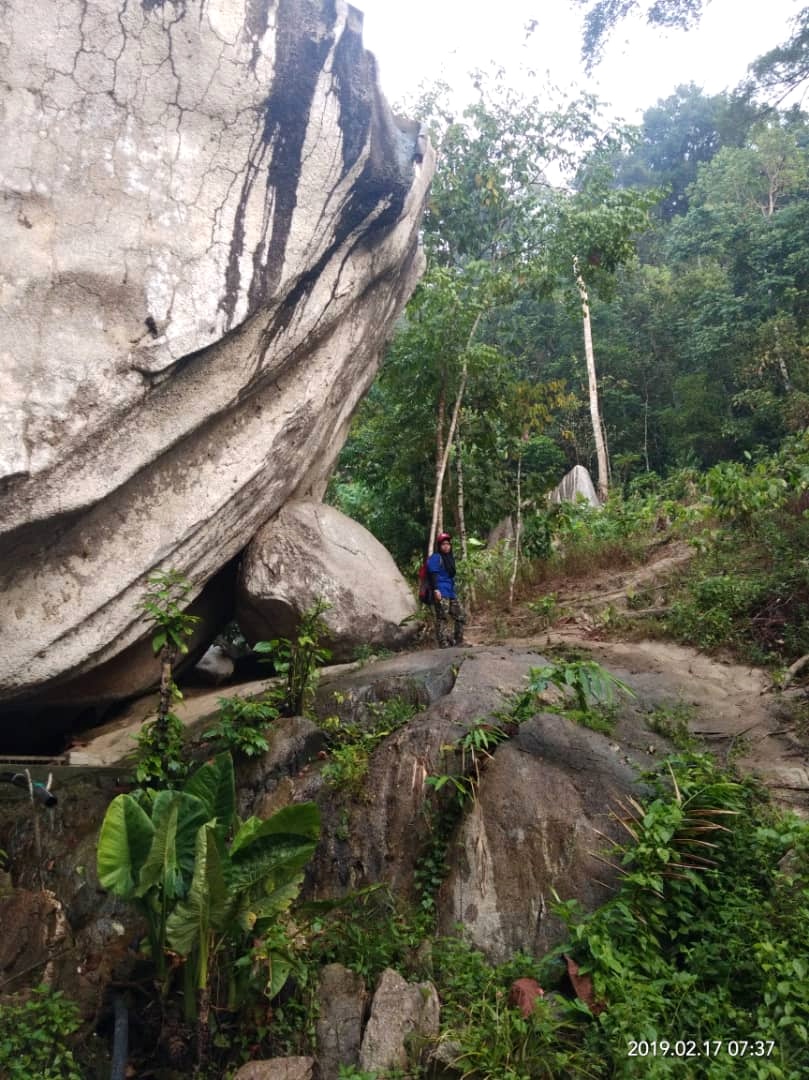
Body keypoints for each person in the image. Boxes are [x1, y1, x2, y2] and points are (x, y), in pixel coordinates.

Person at [427, 532, 466, 648]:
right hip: (440, 591)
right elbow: (432, 574)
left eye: (448, 544)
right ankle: (443, 644)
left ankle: (458, 641)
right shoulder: (436, 557)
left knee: (460, 615)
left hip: (451, 591)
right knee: (442, 617)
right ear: (439, 546)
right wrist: (435, 590)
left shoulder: (450, 558)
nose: (446, 546)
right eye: (443, 544)